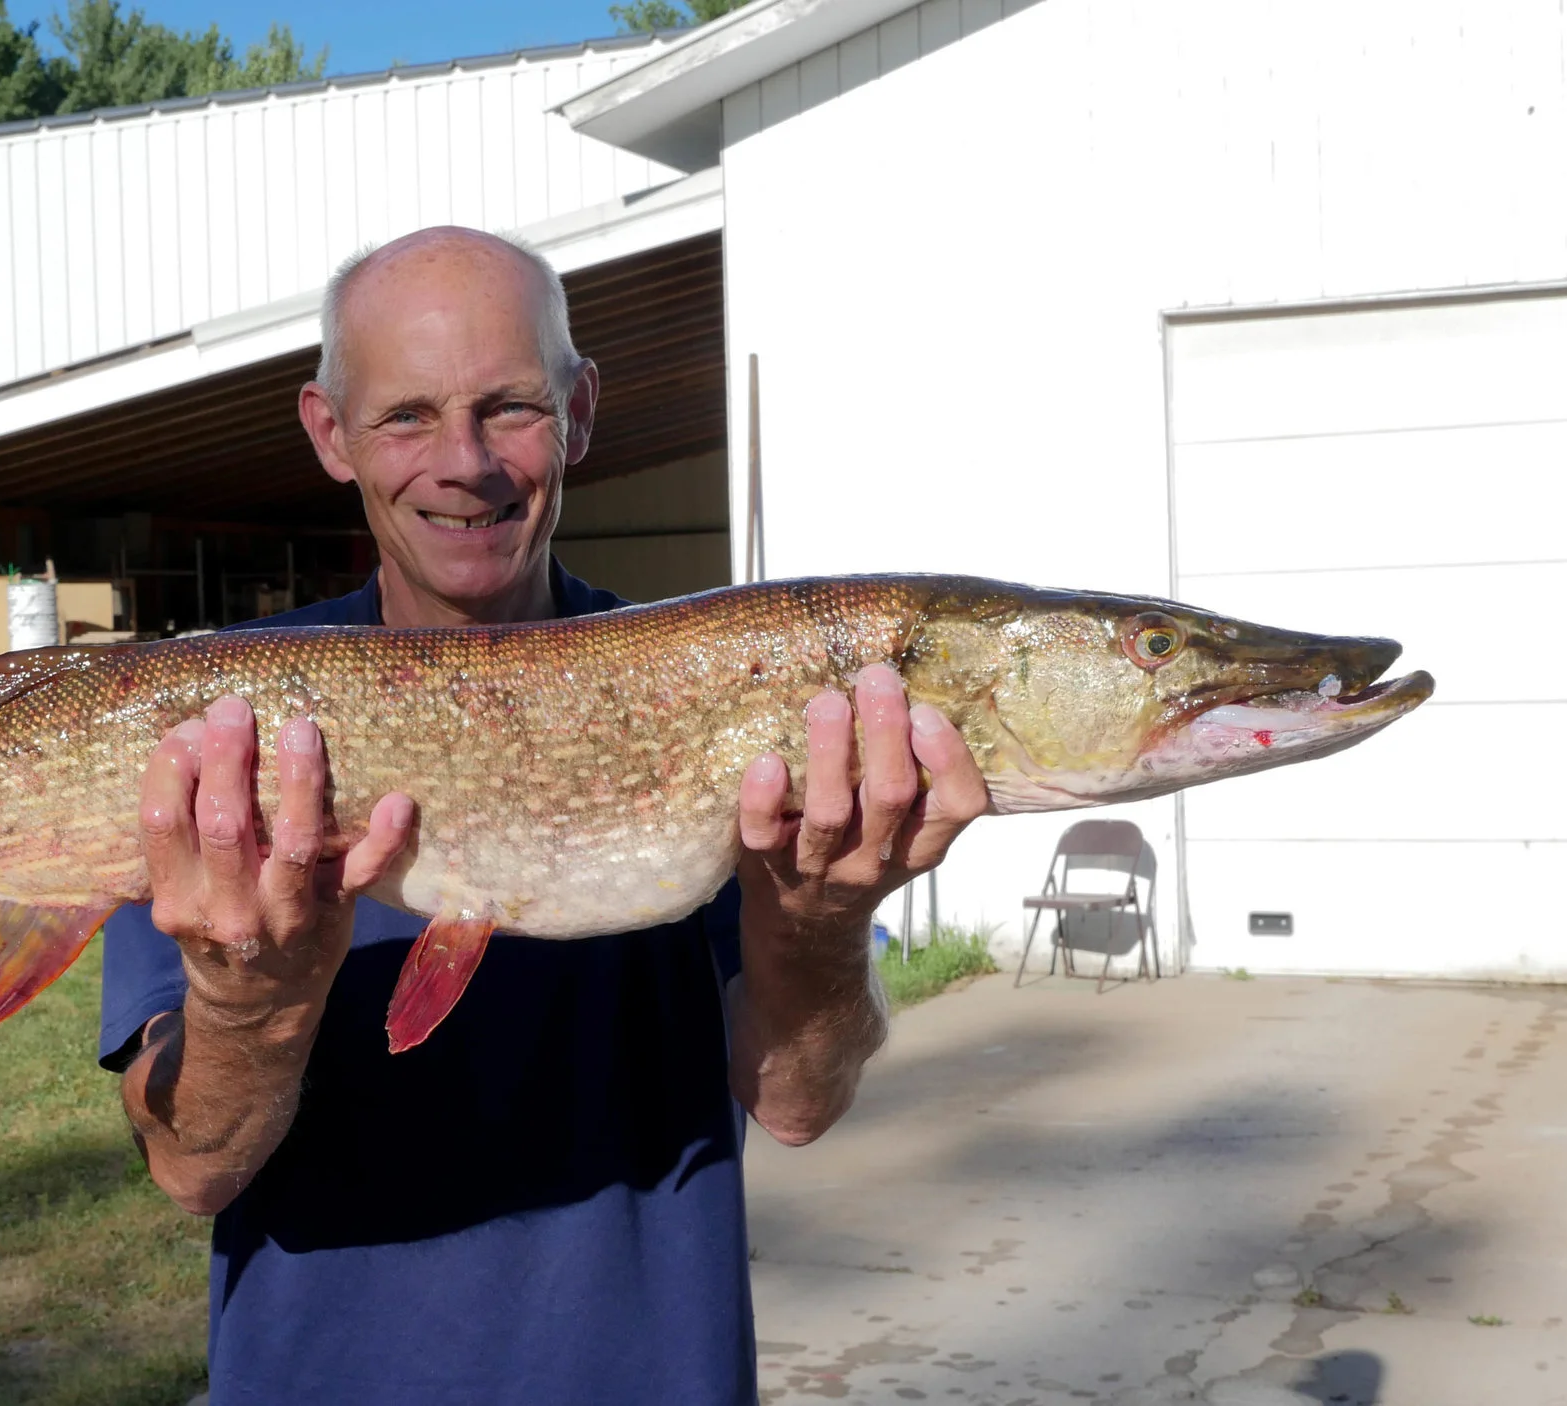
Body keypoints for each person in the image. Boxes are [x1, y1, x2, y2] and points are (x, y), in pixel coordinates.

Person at [97, 226, 989, 1404]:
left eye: (508, 406)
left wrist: (819, 920)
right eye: (407, 415)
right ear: (329, 432)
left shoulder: (719, 690)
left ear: (578, 413)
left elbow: (795, 1098)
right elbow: (191, 1164)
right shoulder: (217, 725)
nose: (462, 461)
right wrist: (247, 1002)